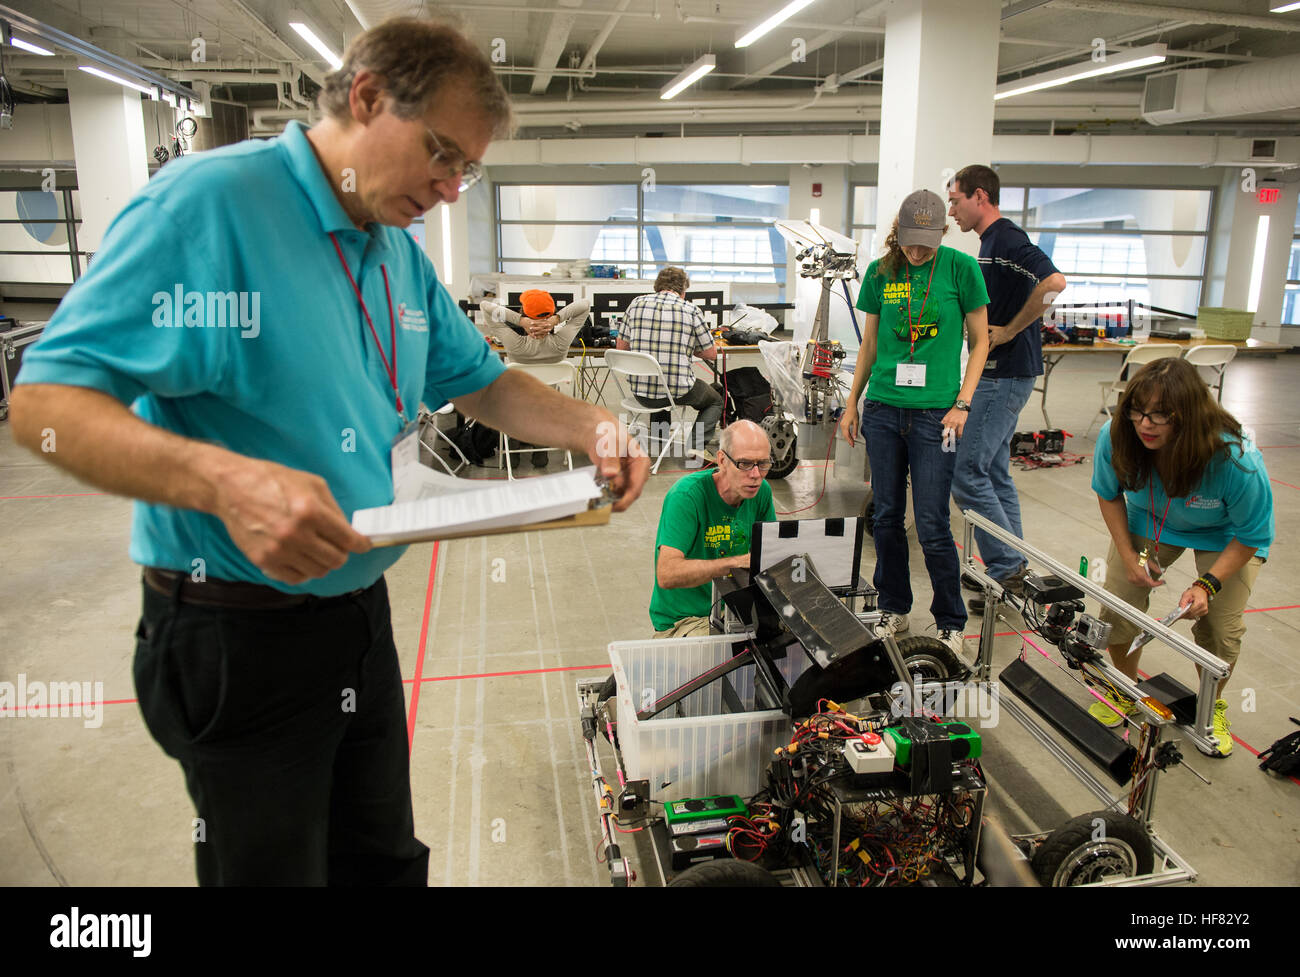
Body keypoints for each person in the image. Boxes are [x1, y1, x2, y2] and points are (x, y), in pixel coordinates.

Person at [8, 18, 648, 886]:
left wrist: (594, 427)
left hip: (356, 616)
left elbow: (482, 384)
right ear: (368, 96)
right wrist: (224, 481)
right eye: (441, 153)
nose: (453, 188)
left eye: (467, 169)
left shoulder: (394, 248)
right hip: (235, 629)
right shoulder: (208, 207)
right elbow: (45, 401)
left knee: (383, 861)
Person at [1089, 357, 1272, 758]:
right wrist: (1127, 554)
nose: (1145, 424)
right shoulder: (1118, 434)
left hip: (1225, 535)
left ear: (1188, 415)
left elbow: (1253, 535)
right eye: (1137, 410)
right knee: (1119, 602)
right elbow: (1108, 492)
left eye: (1160, 414)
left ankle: (1211, 708)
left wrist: (1208, 583)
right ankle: (1123, 686)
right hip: (1150, 519)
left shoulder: (1235, 459)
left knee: (1220, 630)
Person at [839, 190, 990, 656]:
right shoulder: (880, 273)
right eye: (910, 242)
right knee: (885, 515)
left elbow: (981, 342)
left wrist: (962, 404)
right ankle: (894, 605)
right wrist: (852, 404)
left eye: (926, 243)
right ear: (897, 233)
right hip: (884, 410)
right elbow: (868, 346)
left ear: (941, 234)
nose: (918, 252)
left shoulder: (960, 270)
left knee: (931, 521)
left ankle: (949, 618)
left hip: (936, 415)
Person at [947, 165, 1068, 613]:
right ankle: (1012, 569)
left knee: (967, 472)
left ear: (981, 196)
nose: (952, 210)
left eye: (956, 200)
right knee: (995, 474)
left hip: (1006, 374)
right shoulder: (990, 243)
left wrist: (1011, 329)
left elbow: (1054, 283)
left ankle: (1007, 571)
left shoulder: (1006, 238)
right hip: (1000, 372)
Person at [649, 420, 776, 637]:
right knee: (729, 652)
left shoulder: (761, 492)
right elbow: (667, 574)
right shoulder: (687, 496)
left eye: (763, 464)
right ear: (722, 460)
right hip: (685, 620)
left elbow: (772, 553)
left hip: (735, 609)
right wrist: (735, 563)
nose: (756, 474)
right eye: (745, 464)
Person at [616, 266, 722, 458]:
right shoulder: (690, 310)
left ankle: (658, 442)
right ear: (683, 290)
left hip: (641, 392)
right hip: (676, 391)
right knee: (714, 401)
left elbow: (622, 348)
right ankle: (695, 446)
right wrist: (688, 346)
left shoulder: (636, 304)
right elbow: (711, 353)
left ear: (658, 286)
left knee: (659, 385)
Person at [478, 288, 590, 364]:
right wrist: (556, 319)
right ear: (552, 312)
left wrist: (521, 321)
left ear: (523, 313)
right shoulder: (560, 343)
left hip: (518, 399)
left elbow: (485, 306)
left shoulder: (515, 344)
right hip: (551, 398)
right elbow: (585, 304)